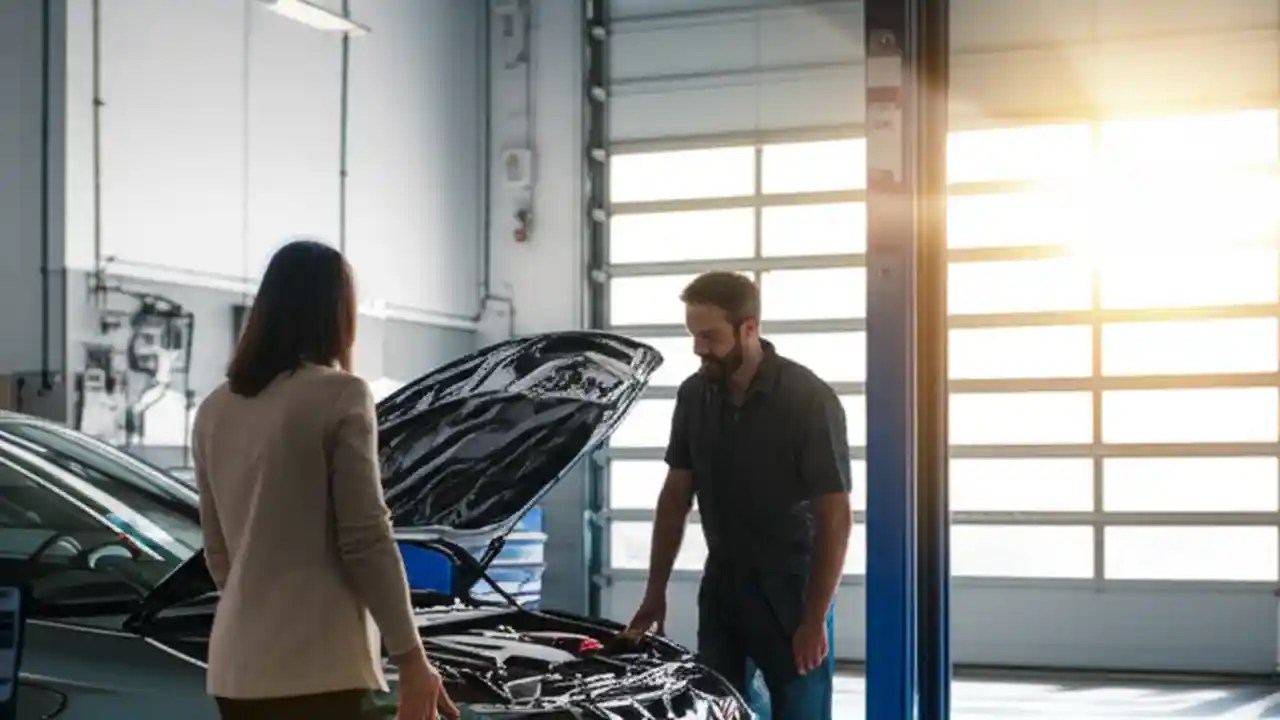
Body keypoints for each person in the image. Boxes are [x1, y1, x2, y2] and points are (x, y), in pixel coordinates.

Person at [193, 240, 457, 720]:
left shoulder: (214, 408)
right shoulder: (341, 395)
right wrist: (413, 659)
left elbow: (218, 553)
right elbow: (365, 539)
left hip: (236, 668)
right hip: (318, 672)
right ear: (337, 313)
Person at [622, 271, 852, 720]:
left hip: (792, 589)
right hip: (724, 584)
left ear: (749, 328)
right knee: (720, 707)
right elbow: (675, 498)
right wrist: (654, 592)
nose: (697, 348)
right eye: (692, 336)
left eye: (709, 336)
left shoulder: (808, 400)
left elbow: (835, 517)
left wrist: (814, 618)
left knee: (801, 709)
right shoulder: (693, 396)